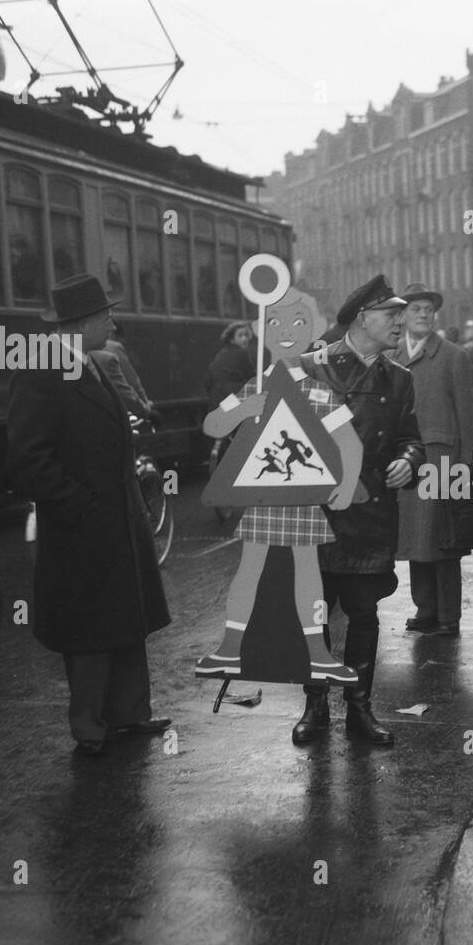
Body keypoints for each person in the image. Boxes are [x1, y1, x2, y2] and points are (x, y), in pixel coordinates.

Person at [7, 274, 171, 757]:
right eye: (105, 315)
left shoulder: (90, 362)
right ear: (79, 324)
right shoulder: (39, 370)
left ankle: (128, 714)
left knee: (125, 620)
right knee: (92, 632)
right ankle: (90, 727)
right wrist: (79, 506)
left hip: (114, 522)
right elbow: (27, 460)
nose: (112, 321)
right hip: (82, 527)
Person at [196, 287, 362, 696]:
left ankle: (318, 654)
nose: (286, 331)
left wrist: (344, 484)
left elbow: (350, 444)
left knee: (308, 572)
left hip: (303, 499)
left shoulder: (319, 392)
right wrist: (241, 409)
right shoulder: (256, 386)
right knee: (249, 569)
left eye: (299, 323)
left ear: (317, 331)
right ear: (259, 331)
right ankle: (231, 649)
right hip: (266, 497)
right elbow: (212, 425)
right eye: (275, 323)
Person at [295, 275, 425, 745]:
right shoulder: (312, 368)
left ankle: (359, 709)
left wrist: (408, 460)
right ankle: (314, 708)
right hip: (317, 513)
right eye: (392, 314)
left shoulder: (401, 378)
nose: (400, 322)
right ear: (362, 318)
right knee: (314, 614)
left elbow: (411, 437)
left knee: (364, 613)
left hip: (371, 516)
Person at [387, 282, 473, 637]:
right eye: (415, 309)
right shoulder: (391, 356)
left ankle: (448, 615)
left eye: (428, 309)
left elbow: (468, 416)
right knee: (414, 538)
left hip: (443, 459)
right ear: (403, 316)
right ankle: (425, 609)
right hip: (406, 459)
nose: (423, 314)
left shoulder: (454, 355)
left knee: (443, 540)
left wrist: (467, 467)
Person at [204, 321, 257, 411]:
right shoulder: (242, 354)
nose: (244, 339)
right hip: (234, 400)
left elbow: (208, 380)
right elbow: (251, 378)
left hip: (217, 400)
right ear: (232, 339)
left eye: (246, 335)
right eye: (240, 336)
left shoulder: (221, 354)